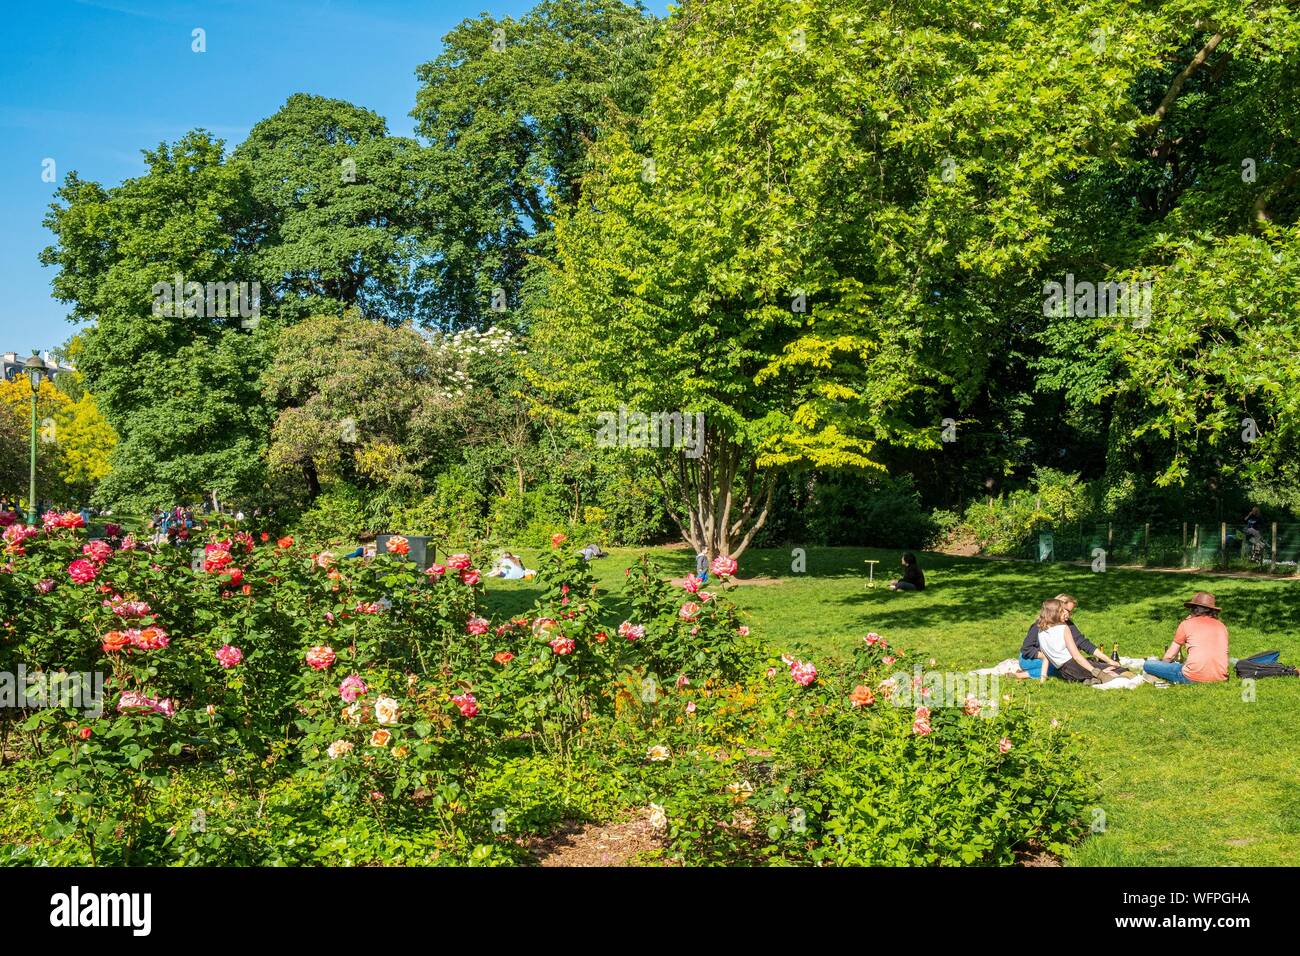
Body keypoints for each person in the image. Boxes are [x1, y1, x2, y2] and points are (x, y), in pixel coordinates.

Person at [1016, 593, 1119, 679]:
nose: (1069, 615)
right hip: (1029, 659)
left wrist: (1108, 660)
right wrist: (1046, 656)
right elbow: (1026, 649)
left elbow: (1083, 643)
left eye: (1071, 612)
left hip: (1051, 659)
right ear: (1057, 607)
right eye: (1068, 611)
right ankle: (1024, 674)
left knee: (1071, 664)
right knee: (1061, 668)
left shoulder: (1067, 624)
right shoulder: (1039, 625)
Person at [1143, 592, 1229, 685]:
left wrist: (1163, 665)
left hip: (1192, 677)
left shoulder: (1186, 624)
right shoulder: (1222, 626)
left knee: (1148, 664)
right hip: (1220, 677)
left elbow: (1169, 656)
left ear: (1193, 609)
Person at [1034, 599, 1126, 684]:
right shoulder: (1063, 628)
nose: (1066, 614)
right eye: (1062, 611)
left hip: (1065, 673)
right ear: (1055, 613)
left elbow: (1045, 657)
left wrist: (1043, 679)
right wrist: (1097, 672)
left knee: (1095, 664)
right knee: (1119, 669)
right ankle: (1094, 677)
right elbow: (1076, 656)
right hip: (1075, 666)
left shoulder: (1040, 632)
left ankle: (1088, 679)